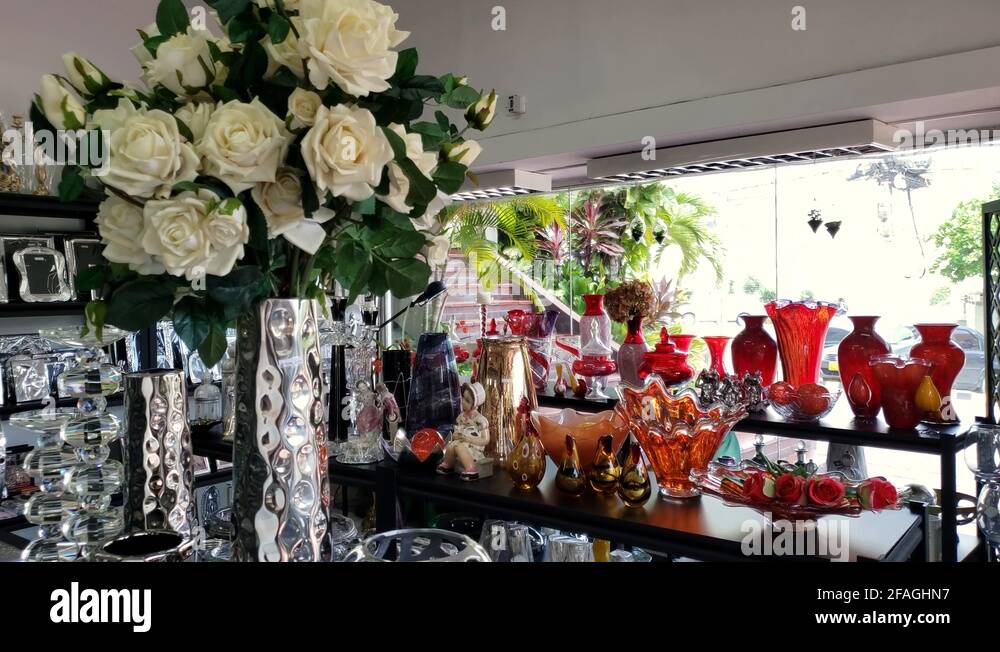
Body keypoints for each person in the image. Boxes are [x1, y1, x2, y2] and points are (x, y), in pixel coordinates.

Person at [437, 382, 489, 481]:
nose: (463, 402)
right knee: (452, 445)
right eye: (463, 398)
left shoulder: (480, 420)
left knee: (458, 446)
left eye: (467, 401)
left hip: (474, 447)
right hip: (462, 442)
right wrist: (456, 435)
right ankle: (448, 464)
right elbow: (458, 429)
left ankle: (471, 468)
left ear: (474, 404)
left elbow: (485, 440)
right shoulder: (461, 417)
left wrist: (469, 438)